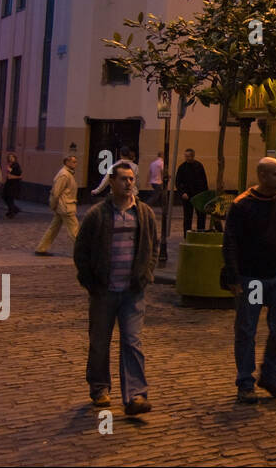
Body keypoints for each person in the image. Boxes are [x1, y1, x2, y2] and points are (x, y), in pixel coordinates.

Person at [73, 161, 157, 416]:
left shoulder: (143, 213)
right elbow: (81, 251)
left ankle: (135, 395)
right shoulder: (97, 214)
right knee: (100, 341)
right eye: (123, 179)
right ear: (112, 183)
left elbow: (153, 246)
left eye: (132, 179)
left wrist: (145, 275)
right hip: (104, 291)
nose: (129, 183)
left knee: (132, 341)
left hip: (133, 291)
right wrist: (91, 283)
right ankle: (99, 387)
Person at [223, 157, 276, 404]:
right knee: (247, 329)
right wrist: (234, 275)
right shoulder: (243, 205)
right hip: (253, 279)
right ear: (262, 176)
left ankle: (269, 374)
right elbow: (231, 242)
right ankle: (246, 382)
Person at [35, 156, 79, 256]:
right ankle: (83, 252)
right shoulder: (64, 175)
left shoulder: (68, 174)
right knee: (75, 231)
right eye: (73, 162)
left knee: (53, 228)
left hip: (64, 206)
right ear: (66, 162)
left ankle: (41, 248)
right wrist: (53, 205)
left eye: (76, 162)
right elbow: (56, 192)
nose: (75, 164)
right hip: (65, 207)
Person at [174, 148, 209, 235]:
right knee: (187, 217)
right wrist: (182, 193)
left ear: (193, 156)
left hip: (199, 195)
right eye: (186, 156)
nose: (187, 158)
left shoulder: (199, 166)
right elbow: (178, 182)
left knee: (201, 215)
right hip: (187, 196)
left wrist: (204, 195)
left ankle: (200, 233)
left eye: (189, 156)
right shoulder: (182, 167)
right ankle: (187, 234)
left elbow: (204, 181)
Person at [2, 153, 23, 218]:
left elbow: (20, 176)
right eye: (9, 157)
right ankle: (15, 209)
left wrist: (12, 177)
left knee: (9, 198)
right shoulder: (10, 165)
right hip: (8, 183)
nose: (11, 158)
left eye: (12, 157)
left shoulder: (16, 165)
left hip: (14, 185)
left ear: (15, 158)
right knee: (5, 197)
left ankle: (11, 213)